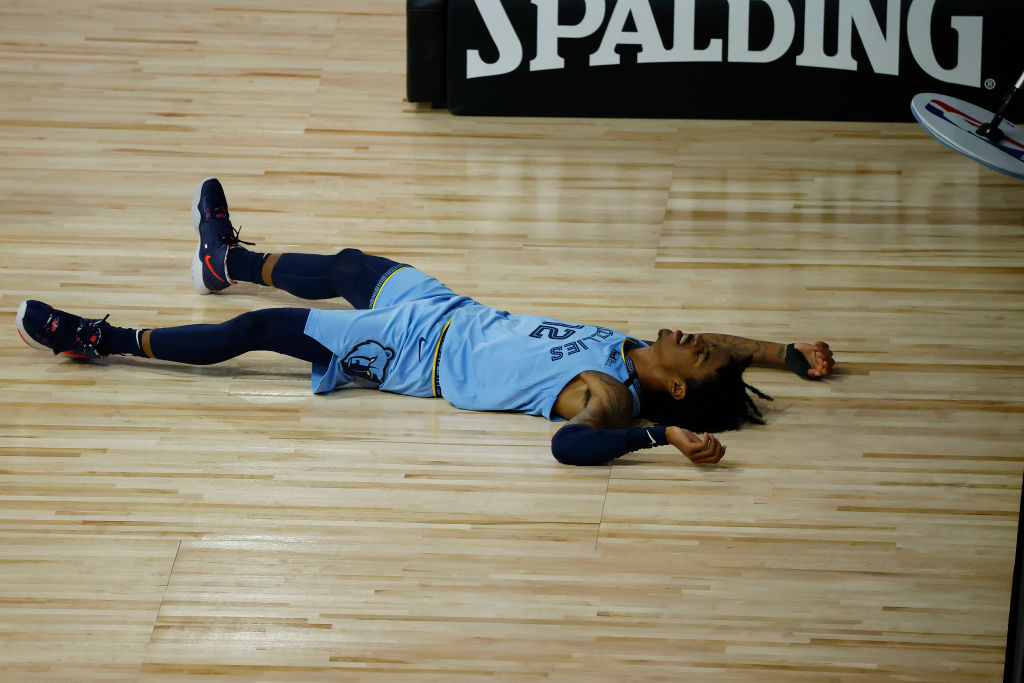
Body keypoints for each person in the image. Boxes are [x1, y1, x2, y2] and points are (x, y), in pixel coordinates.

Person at [15, 178, 835, 467]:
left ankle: (100, 340)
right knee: (344, 264)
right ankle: (219, 260)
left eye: (695, 352)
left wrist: (659, 441)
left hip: (410, 355)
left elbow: (568, 444)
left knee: (264, 329)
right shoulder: (647, 356)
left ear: (679, 388)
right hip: (450, 308)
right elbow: (727, 350)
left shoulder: (611, 396)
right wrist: (787, 355)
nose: (694, 336)